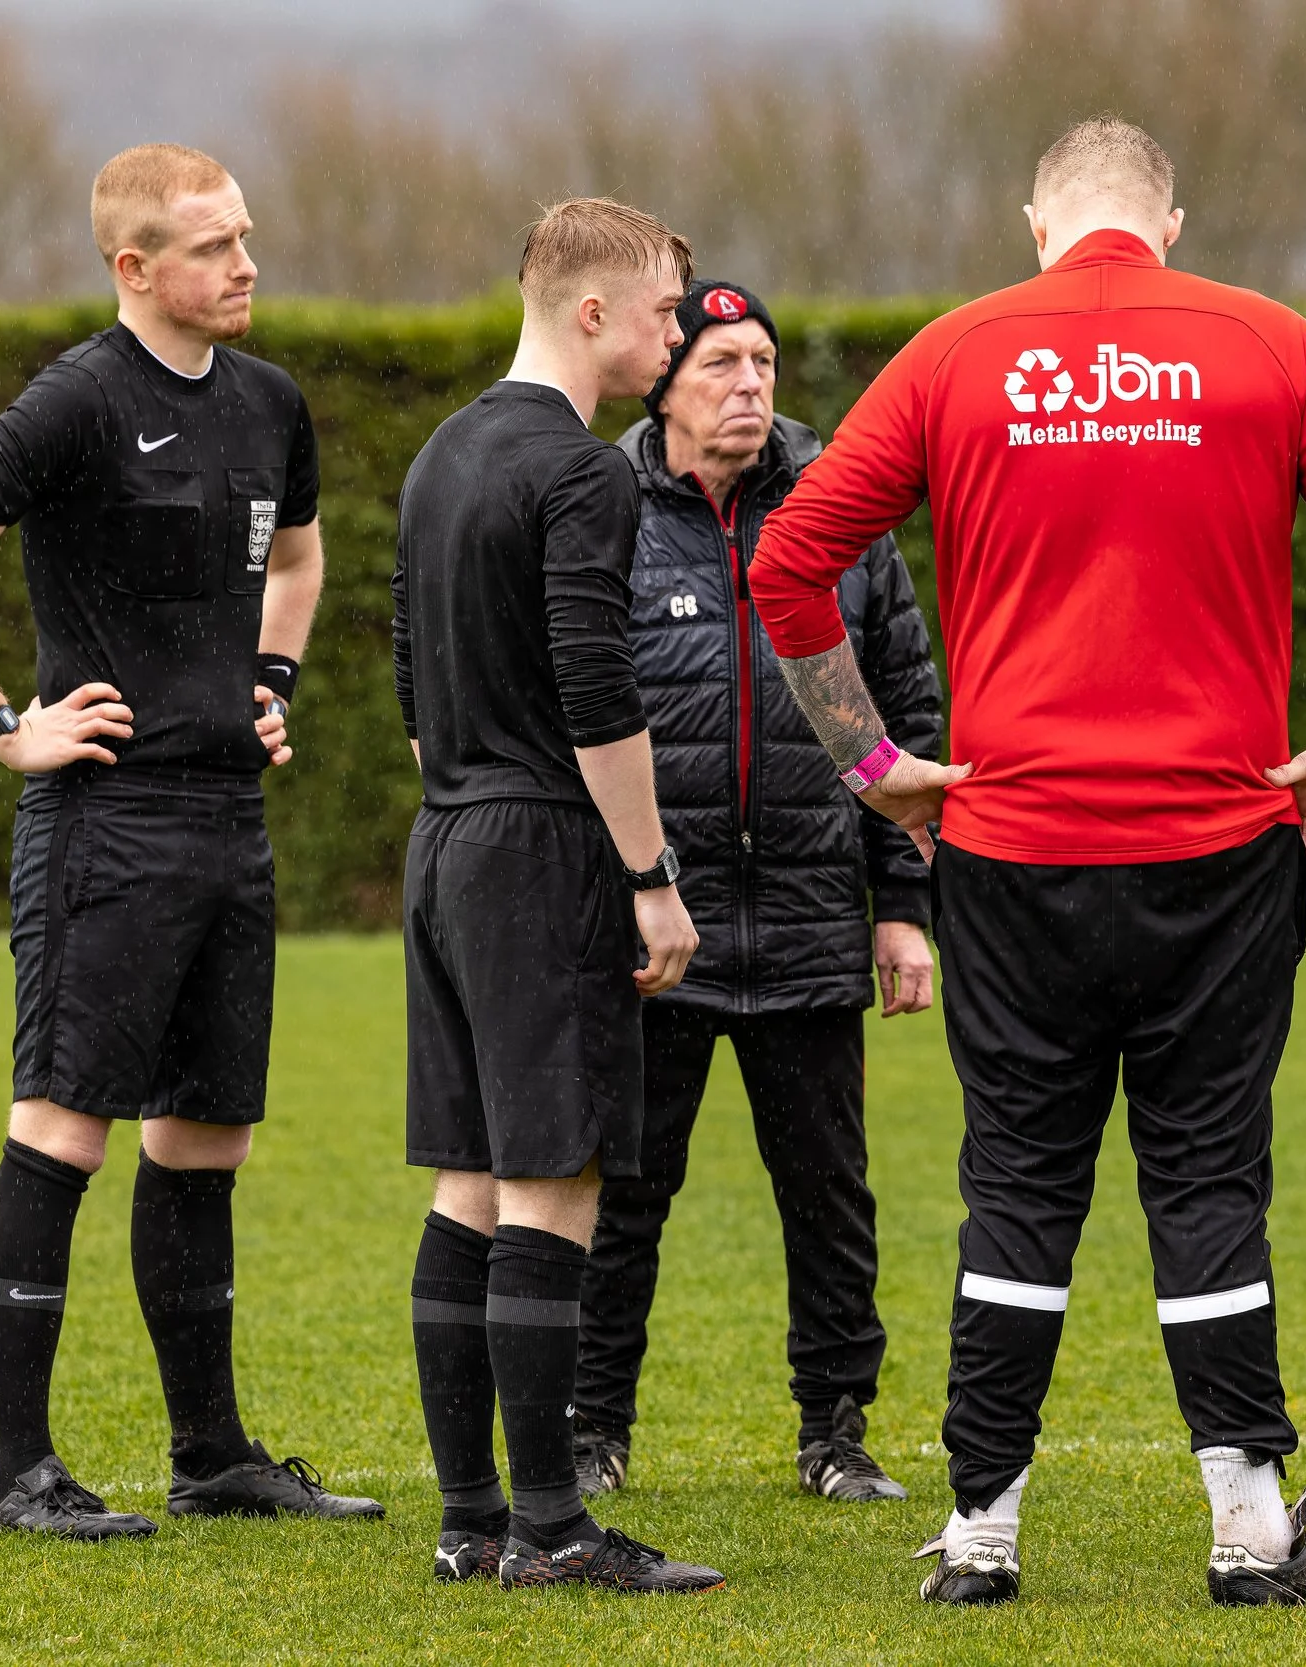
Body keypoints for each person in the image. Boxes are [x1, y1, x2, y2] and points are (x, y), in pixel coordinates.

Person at [750, 117, 1306, 1609]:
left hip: (1011, 852)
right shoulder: (1263, 342)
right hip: (1219, 848)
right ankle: (1250, 1530)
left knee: (1016, 1181)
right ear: (1170, 223)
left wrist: (876, 768)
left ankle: (982, 1529)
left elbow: (787, 561)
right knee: (1207, 1178)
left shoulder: (956, 353)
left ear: (1037, 224)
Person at [0, 143, 380, 1537]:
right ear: (135, 268)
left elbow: (299, 557)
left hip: (230, 820)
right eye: (214, 246)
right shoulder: (79, 399)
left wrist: (269, 680)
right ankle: (23, 1475)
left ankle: (212, 1455)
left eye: (246, 236)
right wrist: (4, 729)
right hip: (106, 822)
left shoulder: (271, 403)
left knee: (207, 1136)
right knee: (62, 1129)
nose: (246, 264)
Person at [393, 198, 722, 1595]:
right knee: (552, 1180)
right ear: (592, 312)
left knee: (471, 1179)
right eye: (663, 314)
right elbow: (599, 690)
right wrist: (649, 875)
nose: (676, 337)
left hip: (447, 840)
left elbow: (411, 682)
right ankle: (551, 1527)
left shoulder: (441, 452)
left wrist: (475, 797)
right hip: (540, 854)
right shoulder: (585, 473)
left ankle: (471, 1518)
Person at [569, 277, 943, 1505]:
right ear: (664, 387)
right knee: (622, 1195)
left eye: (763, 363)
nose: (748, 386)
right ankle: (592, 1427)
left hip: (809, 914)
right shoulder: (601, 506)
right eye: (719, 363)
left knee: (828, 1196)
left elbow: (905, 705)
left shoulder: (839, 507)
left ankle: (835, 1430)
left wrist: (903, 904)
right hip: (655, 926)